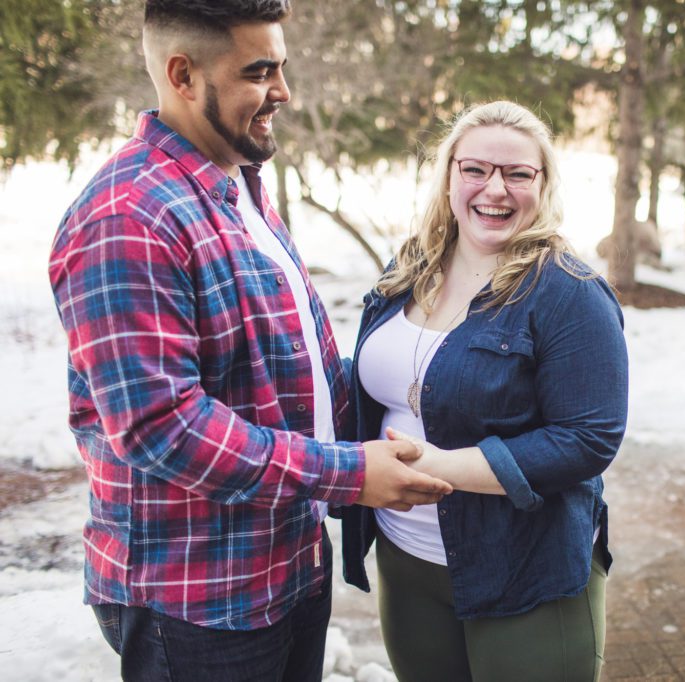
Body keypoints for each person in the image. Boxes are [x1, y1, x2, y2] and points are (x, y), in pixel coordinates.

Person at [47, 2, 451, 680]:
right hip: (200, 603)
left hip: (288, 566)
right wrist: (350, 475)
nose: (283, 93)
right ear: (183, 75)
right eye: (259, 72)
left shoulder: (237, 187)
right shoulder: (129, 218)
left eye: (282, 67)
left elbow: (280, 369)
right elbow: (163, 429)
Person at [341, 100, 629, 681]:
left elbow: (588, 438)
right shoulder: (410, 268)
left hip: (523, 571)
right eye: (475, 169)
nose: (494, 189)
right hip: (407, 560)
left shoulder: (569, 293)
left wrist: (445, 466)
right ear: (449, 177)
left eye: (518, 174)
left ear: (542, 186)